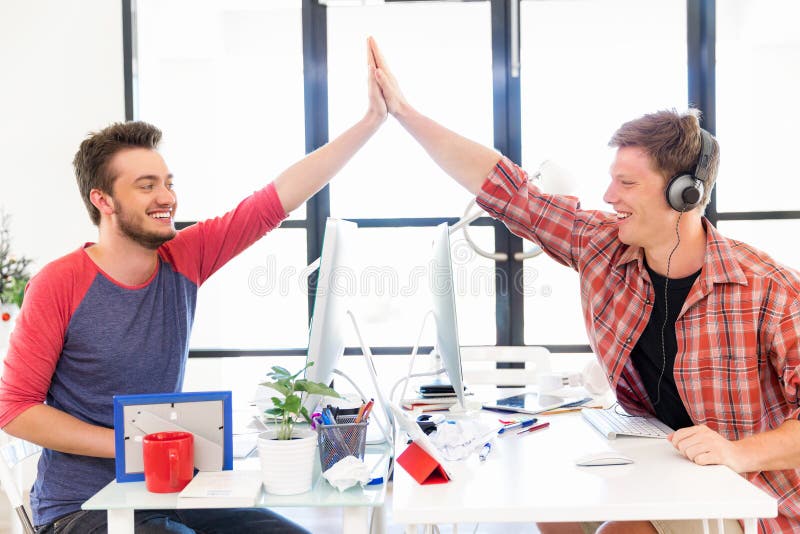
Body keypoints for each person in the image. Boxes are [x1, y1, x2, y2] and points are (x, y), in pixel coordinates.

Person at [367, 37, 800, 534]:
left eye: (628, 184)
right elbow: (507, 189)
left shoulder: (768, 290)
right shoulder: (603, 245)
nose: (609, 195)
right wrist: (403, 113)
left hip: (751, 497)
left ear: (686, 194)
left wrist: (736, 452)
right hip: (666, 467)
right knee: (554, 512)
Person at [0, 41, 387, 533]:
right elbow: (15, 410)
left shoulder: (184, 256)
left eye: (168, 181)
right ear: (104, 200)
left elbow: (271, 202)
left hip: (173, 493)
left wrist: (370, 123)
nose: (167, 197)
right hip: (84, 508)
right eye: (146, 185)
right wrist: (136, 443)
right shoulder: (59, 284)